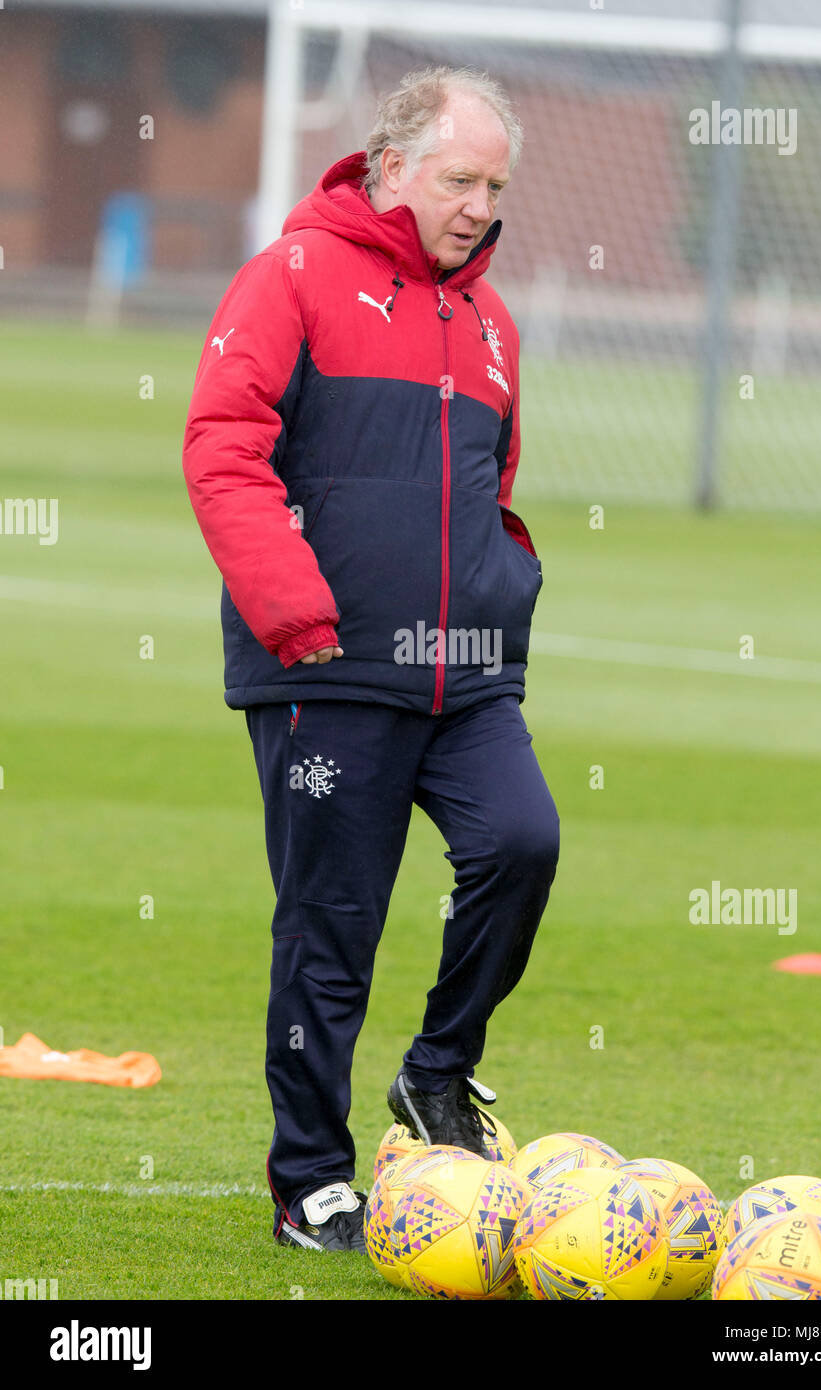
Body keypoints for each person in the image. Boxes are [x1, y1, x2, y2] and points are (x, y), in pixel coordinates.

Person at [182, 66, 559, 1253]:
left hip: (466, 670)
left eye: (495, 186)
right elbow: (222, 448)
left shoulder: (492, 321)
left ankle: (438, 1074)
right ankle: (312, 1182)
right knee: (332, 926)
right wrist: (299, 612)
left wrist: (507, 588)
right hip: (327, 667)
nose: (478, 205)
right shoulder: (287, 277)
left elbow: (489, 494)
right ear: (391, 168)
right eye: (460, 179)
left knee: (522, 840)